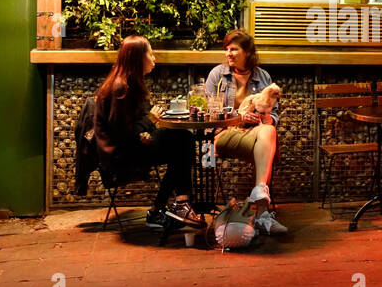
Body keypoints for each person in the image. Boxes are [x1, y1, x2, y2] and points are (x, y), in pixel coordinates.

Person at [94, 35, 203, 230]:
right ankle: (176, 204)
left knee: (181, 142)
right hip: (120, 155)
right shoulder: (121, 88)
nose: (154, 59)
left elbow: (138, 123)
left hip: (130, 146)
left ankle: (173, 205)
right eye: (150, 54)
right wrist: (151, 120)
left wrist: (152, 123)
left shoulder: (130, 83)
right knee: (183, 141)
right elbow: (123, 134)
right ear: (138, 58)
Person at [205, 29, 288, 236]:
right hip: (224, 134)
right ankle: (262, 214)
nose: (228, 54)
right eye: (227, 49)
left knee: (269, 130)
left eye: (234, 49)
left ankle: (260, 204)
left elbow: (274, 112)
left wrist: (268, 118)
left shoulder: (263, 77)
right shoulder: (218, 75)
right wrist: (239, 117)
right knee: (267, 145)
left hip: (254, 135)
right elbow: (209, 115)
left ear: (247, 53)